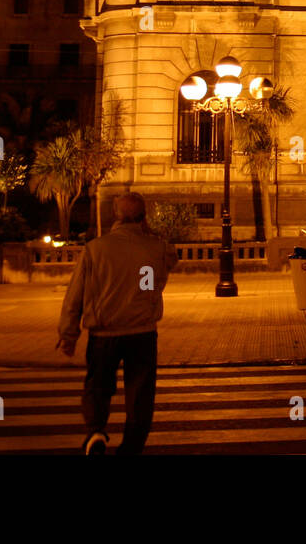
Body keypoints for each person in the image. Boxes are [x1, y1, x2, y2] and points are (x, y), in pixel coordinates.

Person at [57, 192, 177, 455]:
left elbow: (75, 294)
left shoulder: (95, 249)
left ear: (115, 216)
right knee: (140, 394)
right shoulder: (157, 248)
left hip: (104, 332)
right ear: (143, 217)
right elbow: (171, 259)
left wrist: (68, 333)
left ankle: (96, 431)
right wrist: (146, 231)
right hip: (142, 333)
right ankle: (132, 446)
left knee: (98, 386)